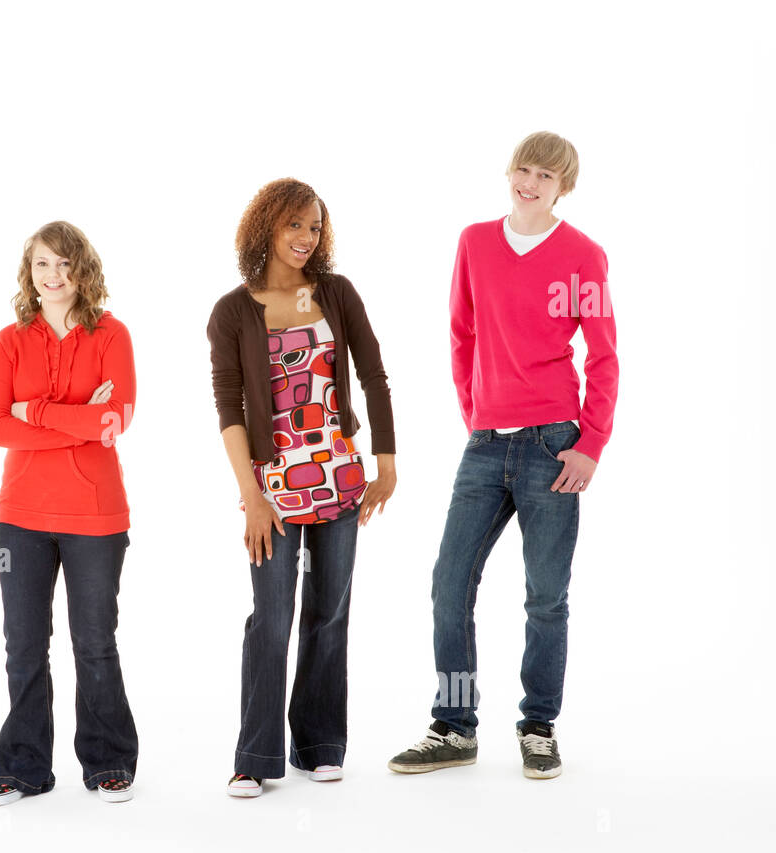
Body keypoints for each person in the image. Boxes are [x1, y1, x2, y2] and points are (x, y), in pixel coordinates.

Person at [388, 131, 619, 780]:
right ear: (509, 172)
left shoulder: (583, 257)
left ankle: (539, 726)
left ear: (563, 187)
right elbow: (461, 331)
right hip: (485, 447)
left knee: (546, 597)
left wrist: (591, 445)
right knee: (448, 585)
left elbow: (603, 357)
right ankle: (454, 726)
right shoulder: (475, 243)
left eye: (546, 176)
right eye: (523, 169)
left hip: (555, 446)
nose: (530, 182)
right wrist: (475, 411)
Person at [207, 178, 397, 798]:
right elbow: (229, 409)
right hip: (276, 489)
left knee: (329, 614)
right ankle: (254, 756)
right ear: (266, 227)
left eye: (314, 226)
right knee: (272, 617)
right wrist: (252, 494)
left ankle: (319, 744)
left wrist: (386, 463)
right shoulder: (233, 311)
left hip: (341, 479)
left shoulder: (337, 294)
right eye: (293, 225)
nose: (305, 238)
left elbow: (373, 374)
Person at [0, 221, 139, 805]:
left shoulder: (112, 336)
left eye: (65, 264)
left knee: (94, 642)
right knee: (23, 645)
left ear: (83, 270)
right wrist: (76, 420)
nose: (54, 276)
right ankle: (22, 768)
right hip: (19, 516)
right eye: (44, 264)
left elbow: (115, 421)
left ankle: (108, 762)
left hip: (96, 517)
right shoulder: (7, 342)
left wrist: (35, 410)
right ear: (30, 271)